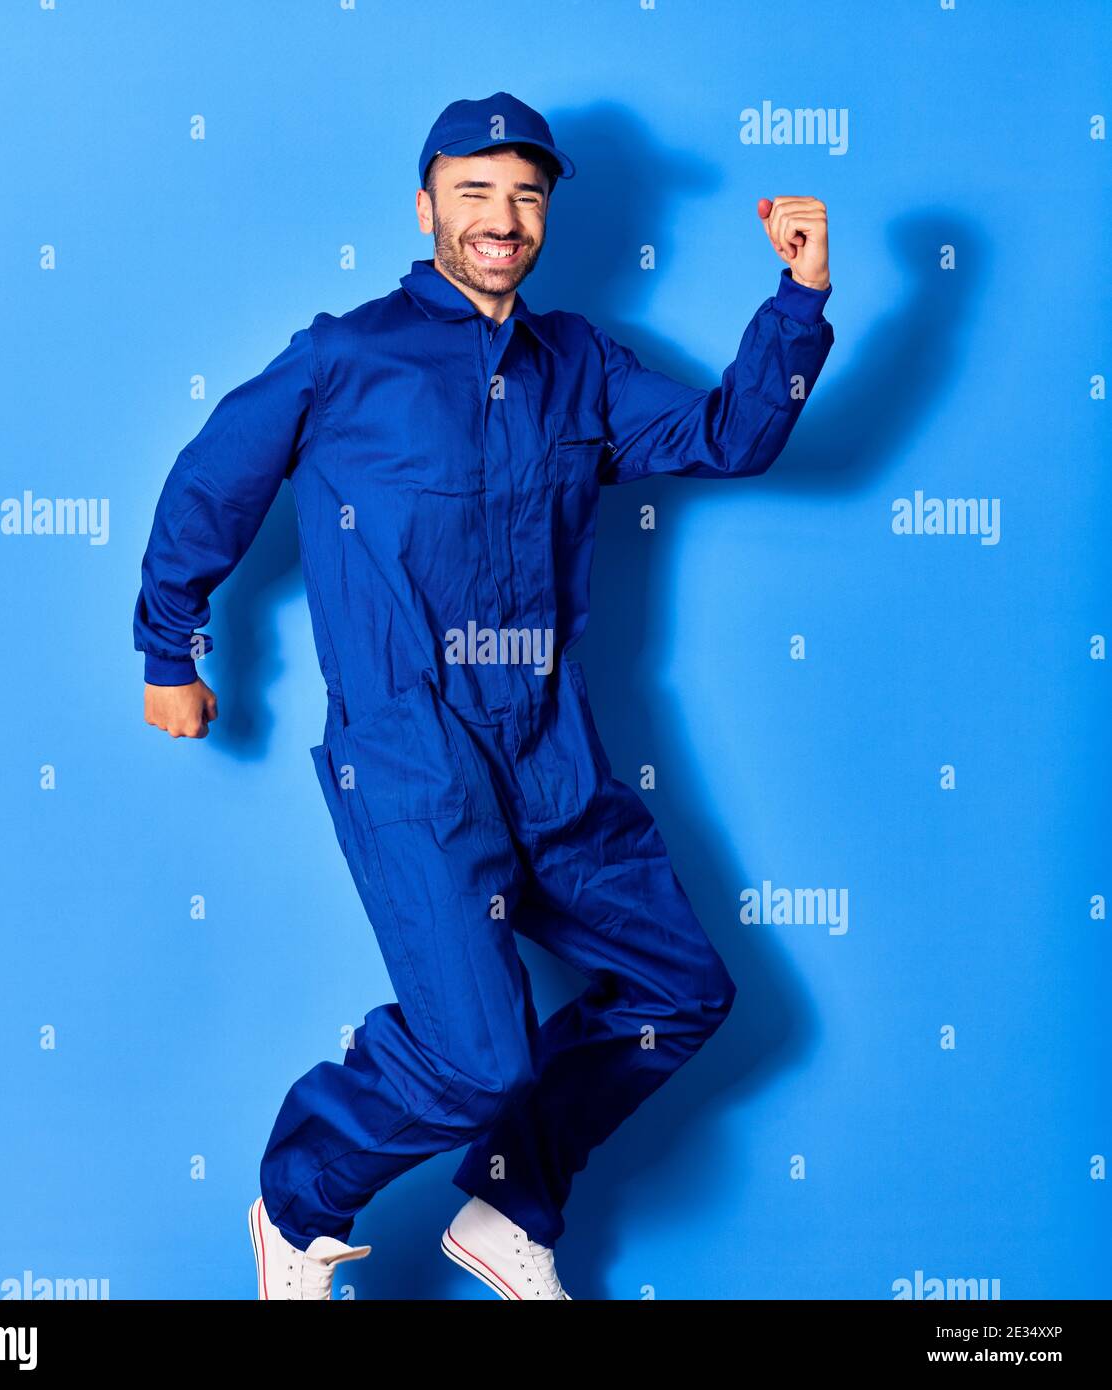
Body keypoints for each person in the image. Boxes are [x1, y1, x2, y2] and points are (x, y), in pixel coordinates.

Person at [135, 92, 834, 1301]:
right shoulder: (345, 354)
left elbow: (727, 438)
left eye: (523, 194)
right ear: (425, 206)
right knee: (475, 1052)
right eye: (473, 191)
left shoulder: (581, 363)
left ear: (546, 214)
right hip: (410, 755)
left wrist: (797, 303)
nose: (500, 217)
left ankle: (509, 1202)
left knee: (683, 992)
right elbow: (210, 480)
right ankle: (296, 1205)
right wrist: (168, 649)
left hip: (554, 748)